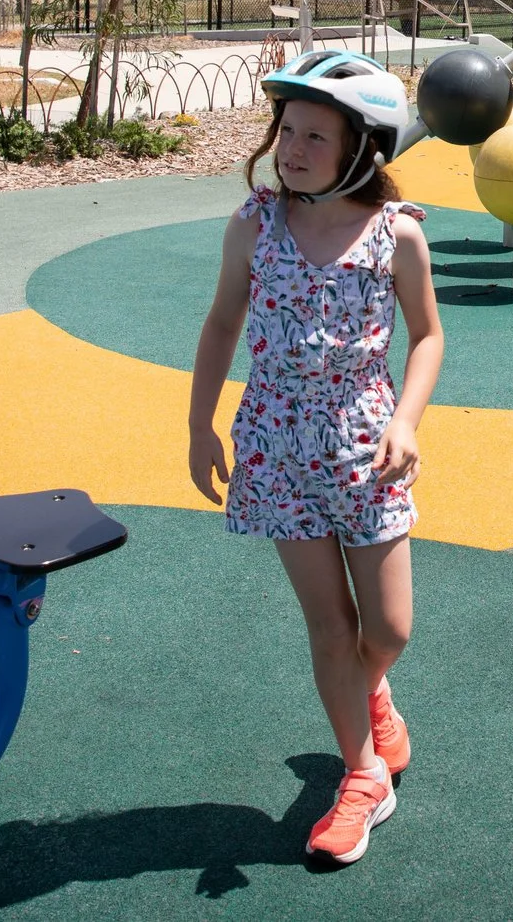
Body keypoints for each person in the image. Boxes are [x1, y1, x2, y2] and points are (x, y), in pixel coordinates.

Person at [188, 50, 443, 865]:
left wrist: (406, 420)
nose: (292, 147)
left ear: (363, 148)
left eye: (315, 136)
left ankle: (373, 691)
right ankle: (363, 777)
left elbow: (429, 336)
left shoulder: (396, 236)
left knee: (388, 630)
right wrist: (201, 425)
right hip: (274, 446)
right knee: (330, 627)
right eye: (287, 130)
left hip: (368, 451)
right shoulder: (254, 224)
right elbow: (222, 323)